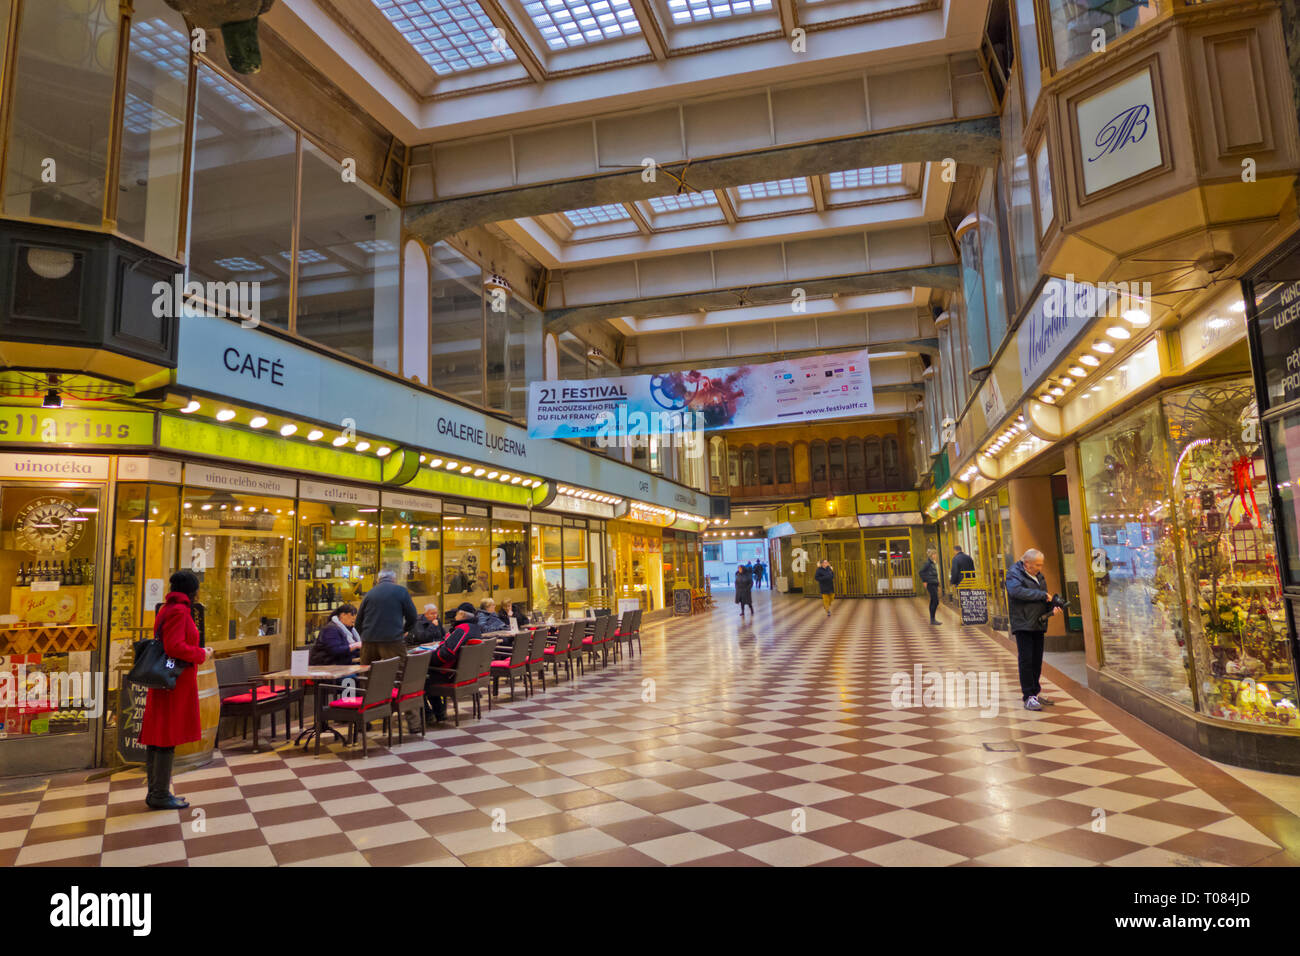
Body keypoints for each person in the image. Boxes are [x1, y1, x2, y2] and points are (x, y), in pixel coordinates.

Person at [140, 570, 212, 810]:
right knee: (166, 737)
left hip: (165, 680)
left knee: (160, 735)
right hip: (174, 682)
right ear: (192, 591)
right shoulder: (181, 612)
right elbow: (174, 646)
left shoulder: (166, 610)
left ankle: (156, 791)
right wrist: (202, 653)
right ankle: (160, 793)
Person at [1006, 548, 1064, 711]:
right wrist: (1042, 596)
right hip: (1023, 623)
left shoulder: (1039, 575)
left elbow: (1043, 596)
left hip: (1038, 622)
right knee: (1026, 660)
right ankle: (1028, 696)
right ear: (1026, 564)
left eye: (1041, 564)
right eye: (1037, 565)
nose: (1040, 567)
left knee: (1037, 660)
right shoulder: (1014, 574)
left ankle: (1035, 693)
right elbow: (1016, 592)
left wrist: (1052, 607)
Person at [428, 603, 480, 722]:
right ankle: (438, 713)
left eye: (456, 613)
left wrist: (429, 658)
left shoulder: (463, 629)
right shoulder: (475, 628)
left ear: (461, 614)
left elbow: (447, 653)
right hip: (465, 674)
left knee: (419, 680)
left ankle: (431, 714)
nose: (455, 616)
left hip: (450, 674)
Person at [355, 569, 418, 666]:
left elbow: (358, 621)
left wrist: (365, 635)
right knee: (398, 671)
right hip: (392, 639)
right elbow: (413, 616)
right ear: (394, 579)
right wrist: (404, 630)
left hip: (369, 640)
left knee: (367, 673)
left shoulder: (369, 593)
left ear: (378, 580)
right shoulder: (401, 591)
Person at [919, 549, 940, 625]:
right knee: (935, 601)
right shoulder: (928, 563)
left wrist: (938, 583)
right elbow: (921, 572)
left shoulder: (933, 563)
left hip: (934, 583)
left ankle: (932, 619)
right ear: (931, 555)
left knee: (933, 601)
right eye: (934, 554)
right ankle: (932, 619)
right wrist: (924, 581)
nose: (936, 556)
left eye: (936, 554)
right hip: (930, 584)